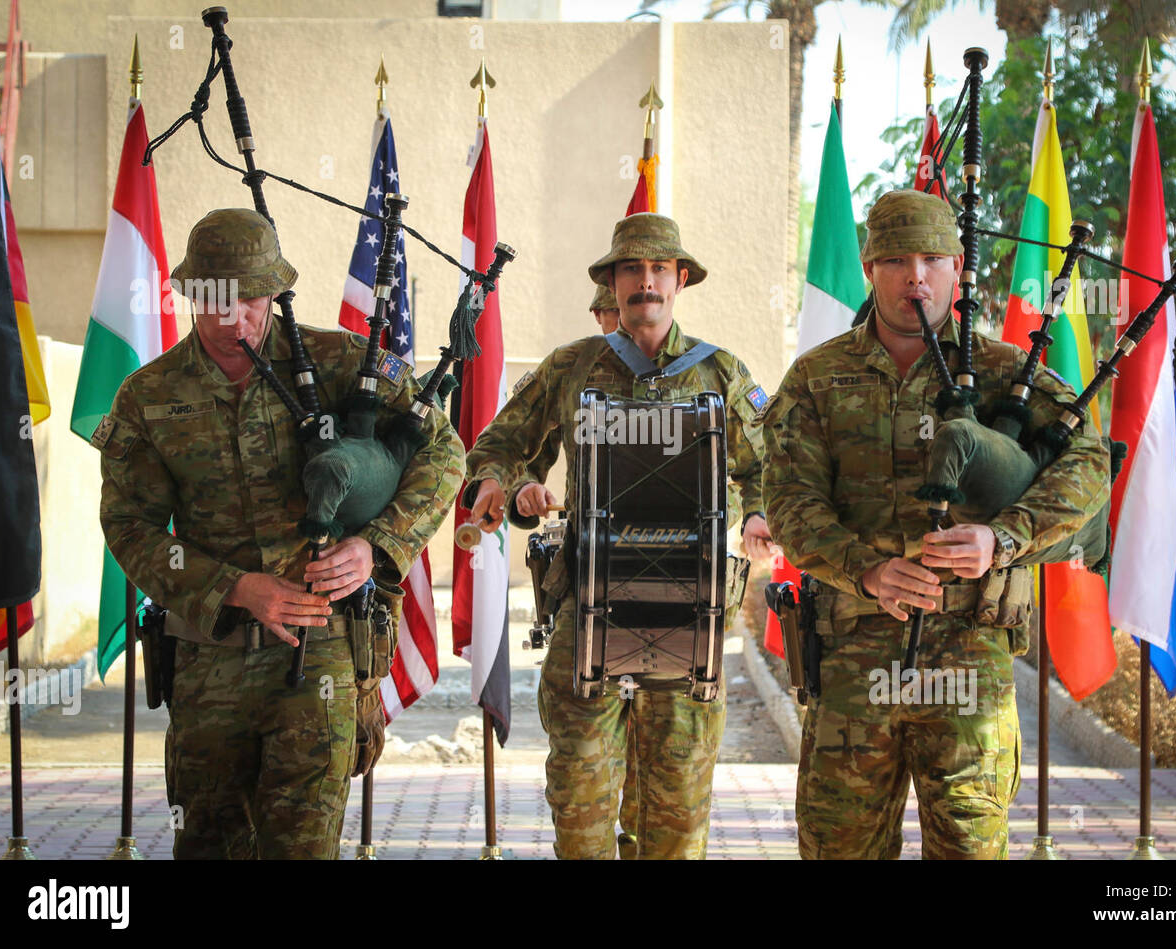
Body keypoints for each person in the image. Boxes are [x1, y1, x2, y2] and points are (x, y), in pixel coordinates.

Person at [94, 208, 464, 859]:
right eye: (215, 300)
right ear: (189, 293)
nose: (235, 318)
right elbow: (131, 525)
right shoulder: (147, 397)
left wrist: (377, 544)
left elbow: (442, 452)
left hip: (319, 660)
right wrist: (233, 586)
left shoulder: (342, 361)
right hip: (211, 664)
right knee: (207, 845)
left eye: (251, 299)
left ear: (275, 292)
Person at [760, 189, 1110, 859]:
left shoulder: (1008, 372)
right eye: (894, 258)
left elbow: (1089, 465)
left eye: (930, 258)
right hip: (855, 659)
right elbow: (791, 501)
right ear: (869, 267)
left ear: (956, 267)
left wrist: (1002, 536)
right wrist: (864, 568)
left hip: (969, 656)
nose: (913, 275)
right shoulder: (816, 377)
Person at [464, 212, 772, 858]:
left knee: (677, 813)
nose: (646, 281)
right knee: (578, 800)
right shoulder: (573, 367)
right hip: (591, 614)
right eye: (631, 269)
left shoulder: (720, 375)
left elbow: (771, 468)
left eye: (659, 268)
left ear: (680, 278)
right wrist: (506, 486)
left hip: (692, 616)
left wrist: (757, 518)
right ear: (613, 282)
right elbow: (500, 444)